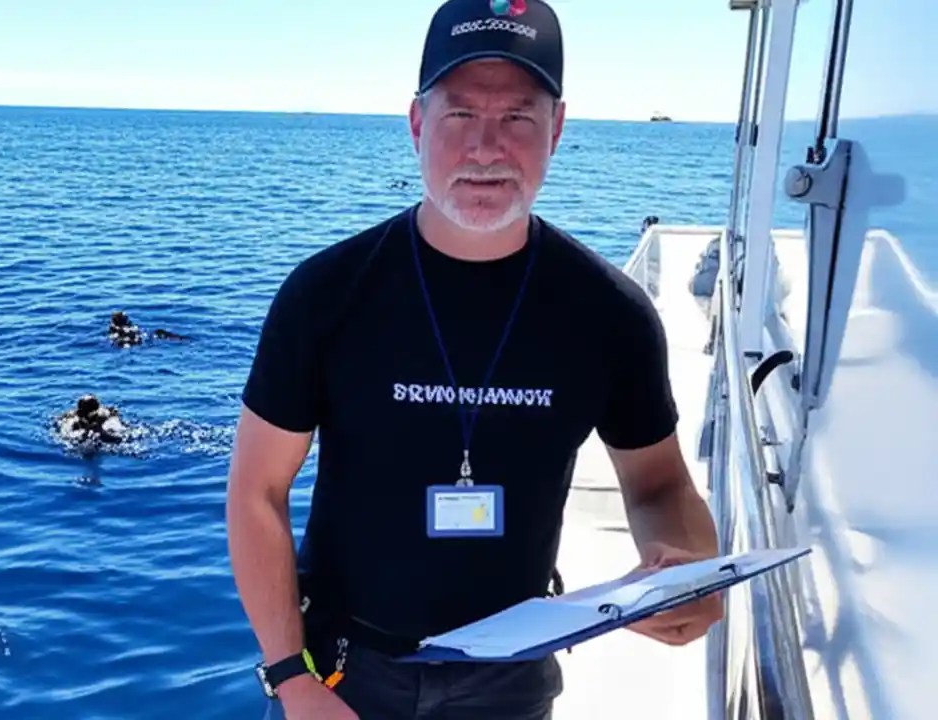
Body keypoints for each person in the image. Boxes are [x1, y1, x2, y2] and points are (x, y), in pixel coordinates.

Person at [224, 1, 722, 718]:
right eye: (460, 115)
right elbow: (256, 491)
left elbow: (659, 483)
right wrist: (290, 676)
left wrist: (684, 573)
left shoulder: (610, 313)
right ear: (417, 123)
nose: (486, 148)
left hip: (513, 675)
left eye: (517, 117)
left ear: (556, 129)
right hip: (341, 666)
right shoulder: (326, 294)